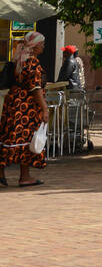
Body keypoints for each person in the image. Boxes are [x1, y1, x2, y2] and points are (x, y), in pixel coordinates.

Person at [0, 30, 50, 187]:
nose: (43, 46)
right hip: (26, 107)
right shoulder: (32, 62)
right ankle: (24, 176)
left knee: (10, 138)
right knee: (26, 140)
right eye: (41, 44)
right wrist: (44, 108)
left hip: (13, 104)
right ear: (34, 46)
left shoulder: (18, 60)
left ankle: (3, 172)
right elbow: (35, 88)